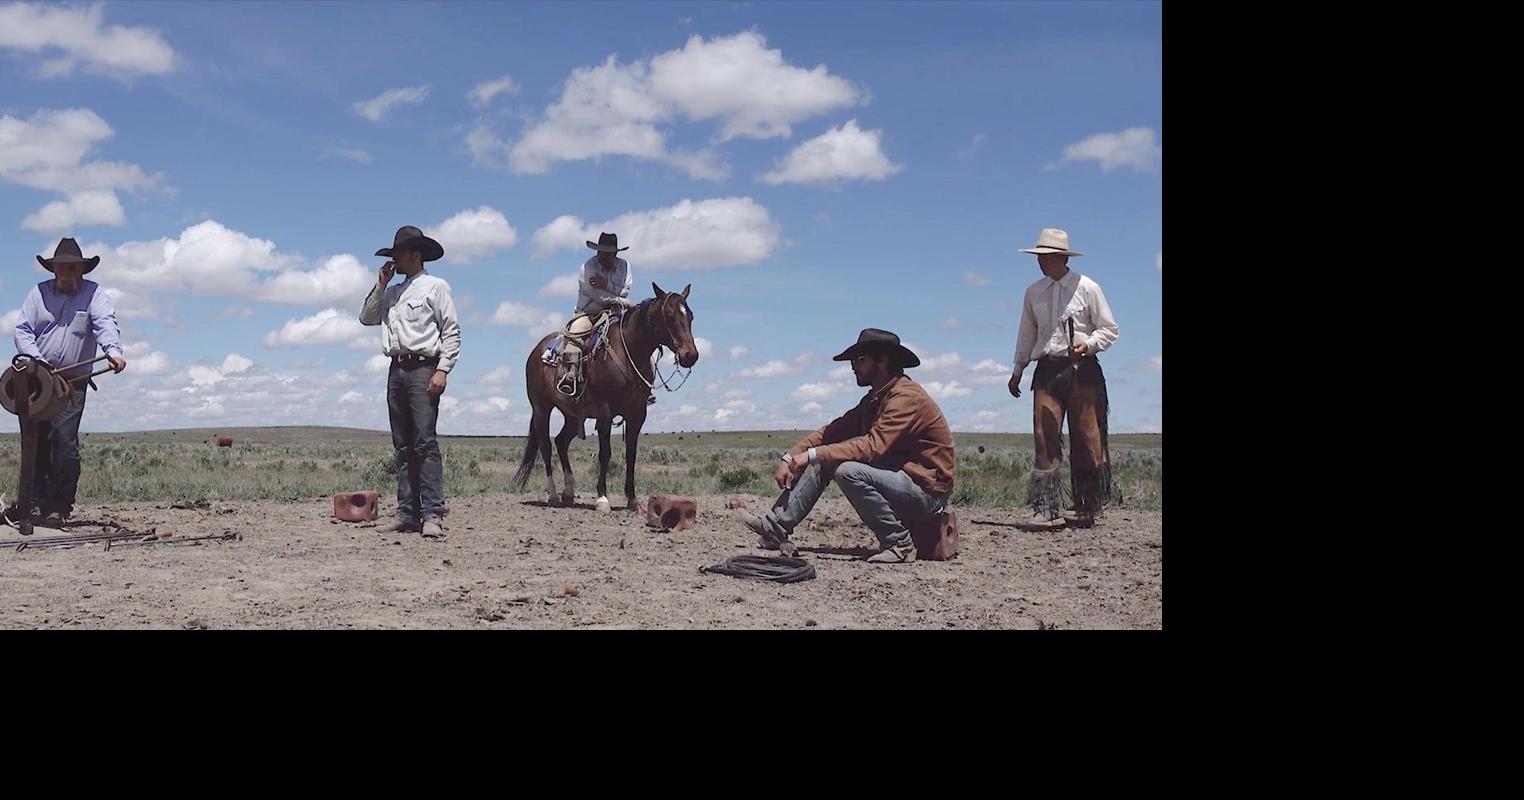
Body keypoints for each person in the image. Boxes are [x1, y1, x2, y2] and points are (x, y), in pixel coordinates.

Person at [736, 328, 955, 564]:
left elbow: (873, 447)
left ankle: (899, 544)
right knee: (827, 459)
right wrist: (791, 456)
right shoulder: (878, 397)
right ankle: (774, 529)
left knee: (847, 471)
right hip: (902, 483)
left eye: (860, 359)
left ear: (883, 360)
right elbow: (833, 431)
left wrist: (810, 456)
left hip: (926, 493)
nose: (853, 367)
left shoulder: (905, 398)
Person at [1007, 228, 1120, 526]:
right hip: (1046, 368)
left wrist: (1089, 344)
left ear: (1059, 257)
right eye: (1039, 257)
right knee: (1044, 436)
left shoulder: (1088, 287)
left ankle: (1087, 505)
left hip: (1082, 369)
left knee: (1086, 437)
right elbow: (1026, 334)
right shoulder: (1033, 292)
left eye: (1044, 256)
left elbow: (1109, 329)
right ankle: (1046, 508)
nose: (1039, 261)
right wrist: (1018, 370)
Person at [359, 225, 460, 539]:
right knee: (402, 446)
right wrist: (380, 285)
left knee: (424, 444)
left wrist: (442, 369)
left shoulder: (436, 286)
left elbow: (451, 331)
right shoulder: (391, 292)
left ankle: (432, 514)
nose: (395, 260)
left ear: (416, 255)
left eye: (399, 254)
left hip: (423, 368)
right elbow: (367, 317)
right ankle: (406, 513)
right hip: (396, 369)